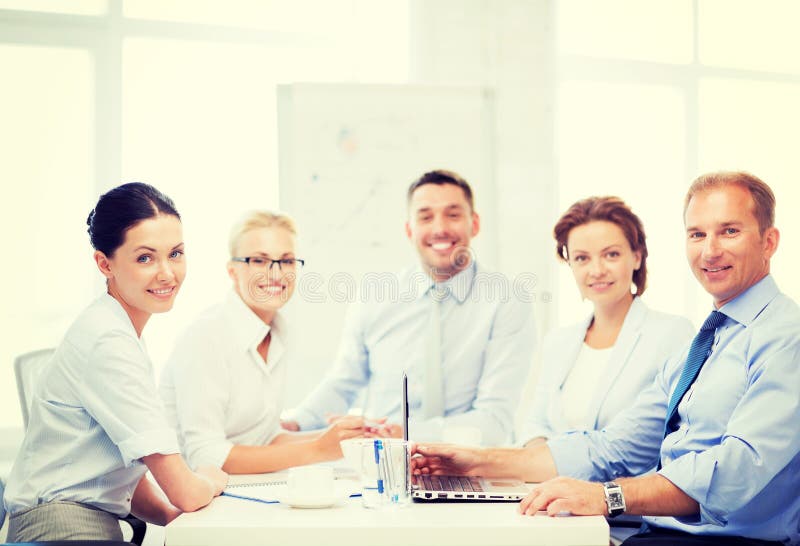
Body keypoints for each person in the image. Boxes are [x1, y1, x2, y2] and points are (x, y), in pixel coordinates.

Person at [412, 172, 800, 545]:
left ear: (769, 241)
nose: (710, 250)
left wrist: (608, 496)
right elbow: (617, 446)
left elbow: (737, 471)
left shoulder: (785, 336)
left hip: (730, 541)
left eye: (730, 231)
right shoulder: (706, 341)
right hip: (661, 533)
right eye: (697, 234)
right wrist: (477, 462)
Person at [2, 183, 228, 542]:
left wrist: (175, 512)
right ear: (104, 263)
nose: (167, 273)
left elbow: (118, 469)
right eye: (145, 258)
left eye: (176, 253)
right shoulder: (108, 342)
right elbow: (186, 490)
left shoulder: (114, 330)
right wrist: (210, 479)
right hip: (61, 531)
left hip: (81, 524)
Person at [282, 169, 536, 444]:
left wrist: (402, 432)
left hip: (472, 468)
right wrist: (295, 423)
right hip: (382, 464)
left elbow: (494, 421)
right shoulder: (374, 296)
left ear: (474, 224)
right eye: (425, 217)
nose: (439, 228)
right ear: (409, 229)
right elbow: (343, 382)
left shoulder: (508, 302)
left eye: (453, 215)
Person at [159, 211, 369, 474]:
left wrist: (344, 438)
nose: (276, 274)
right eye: (259, 260)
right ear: (233, 271)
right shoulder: (205, 336)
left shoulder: (278, 331)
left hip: (245, 491)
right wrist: (317, 449)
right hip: (196, 503)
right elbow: (206, 455)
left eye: (287, 261)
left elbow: (266, 438)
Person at [521, 196, 693, 445]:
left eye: (611, 254)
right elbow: (534, 425)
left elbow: (673, 435)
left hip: (625, 482)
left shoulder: (672, 334)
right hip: (551, 480)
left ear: (636, 256)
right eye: (582, 258)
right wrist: (544, 464)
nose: (597, 270)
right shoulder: (557, 342)